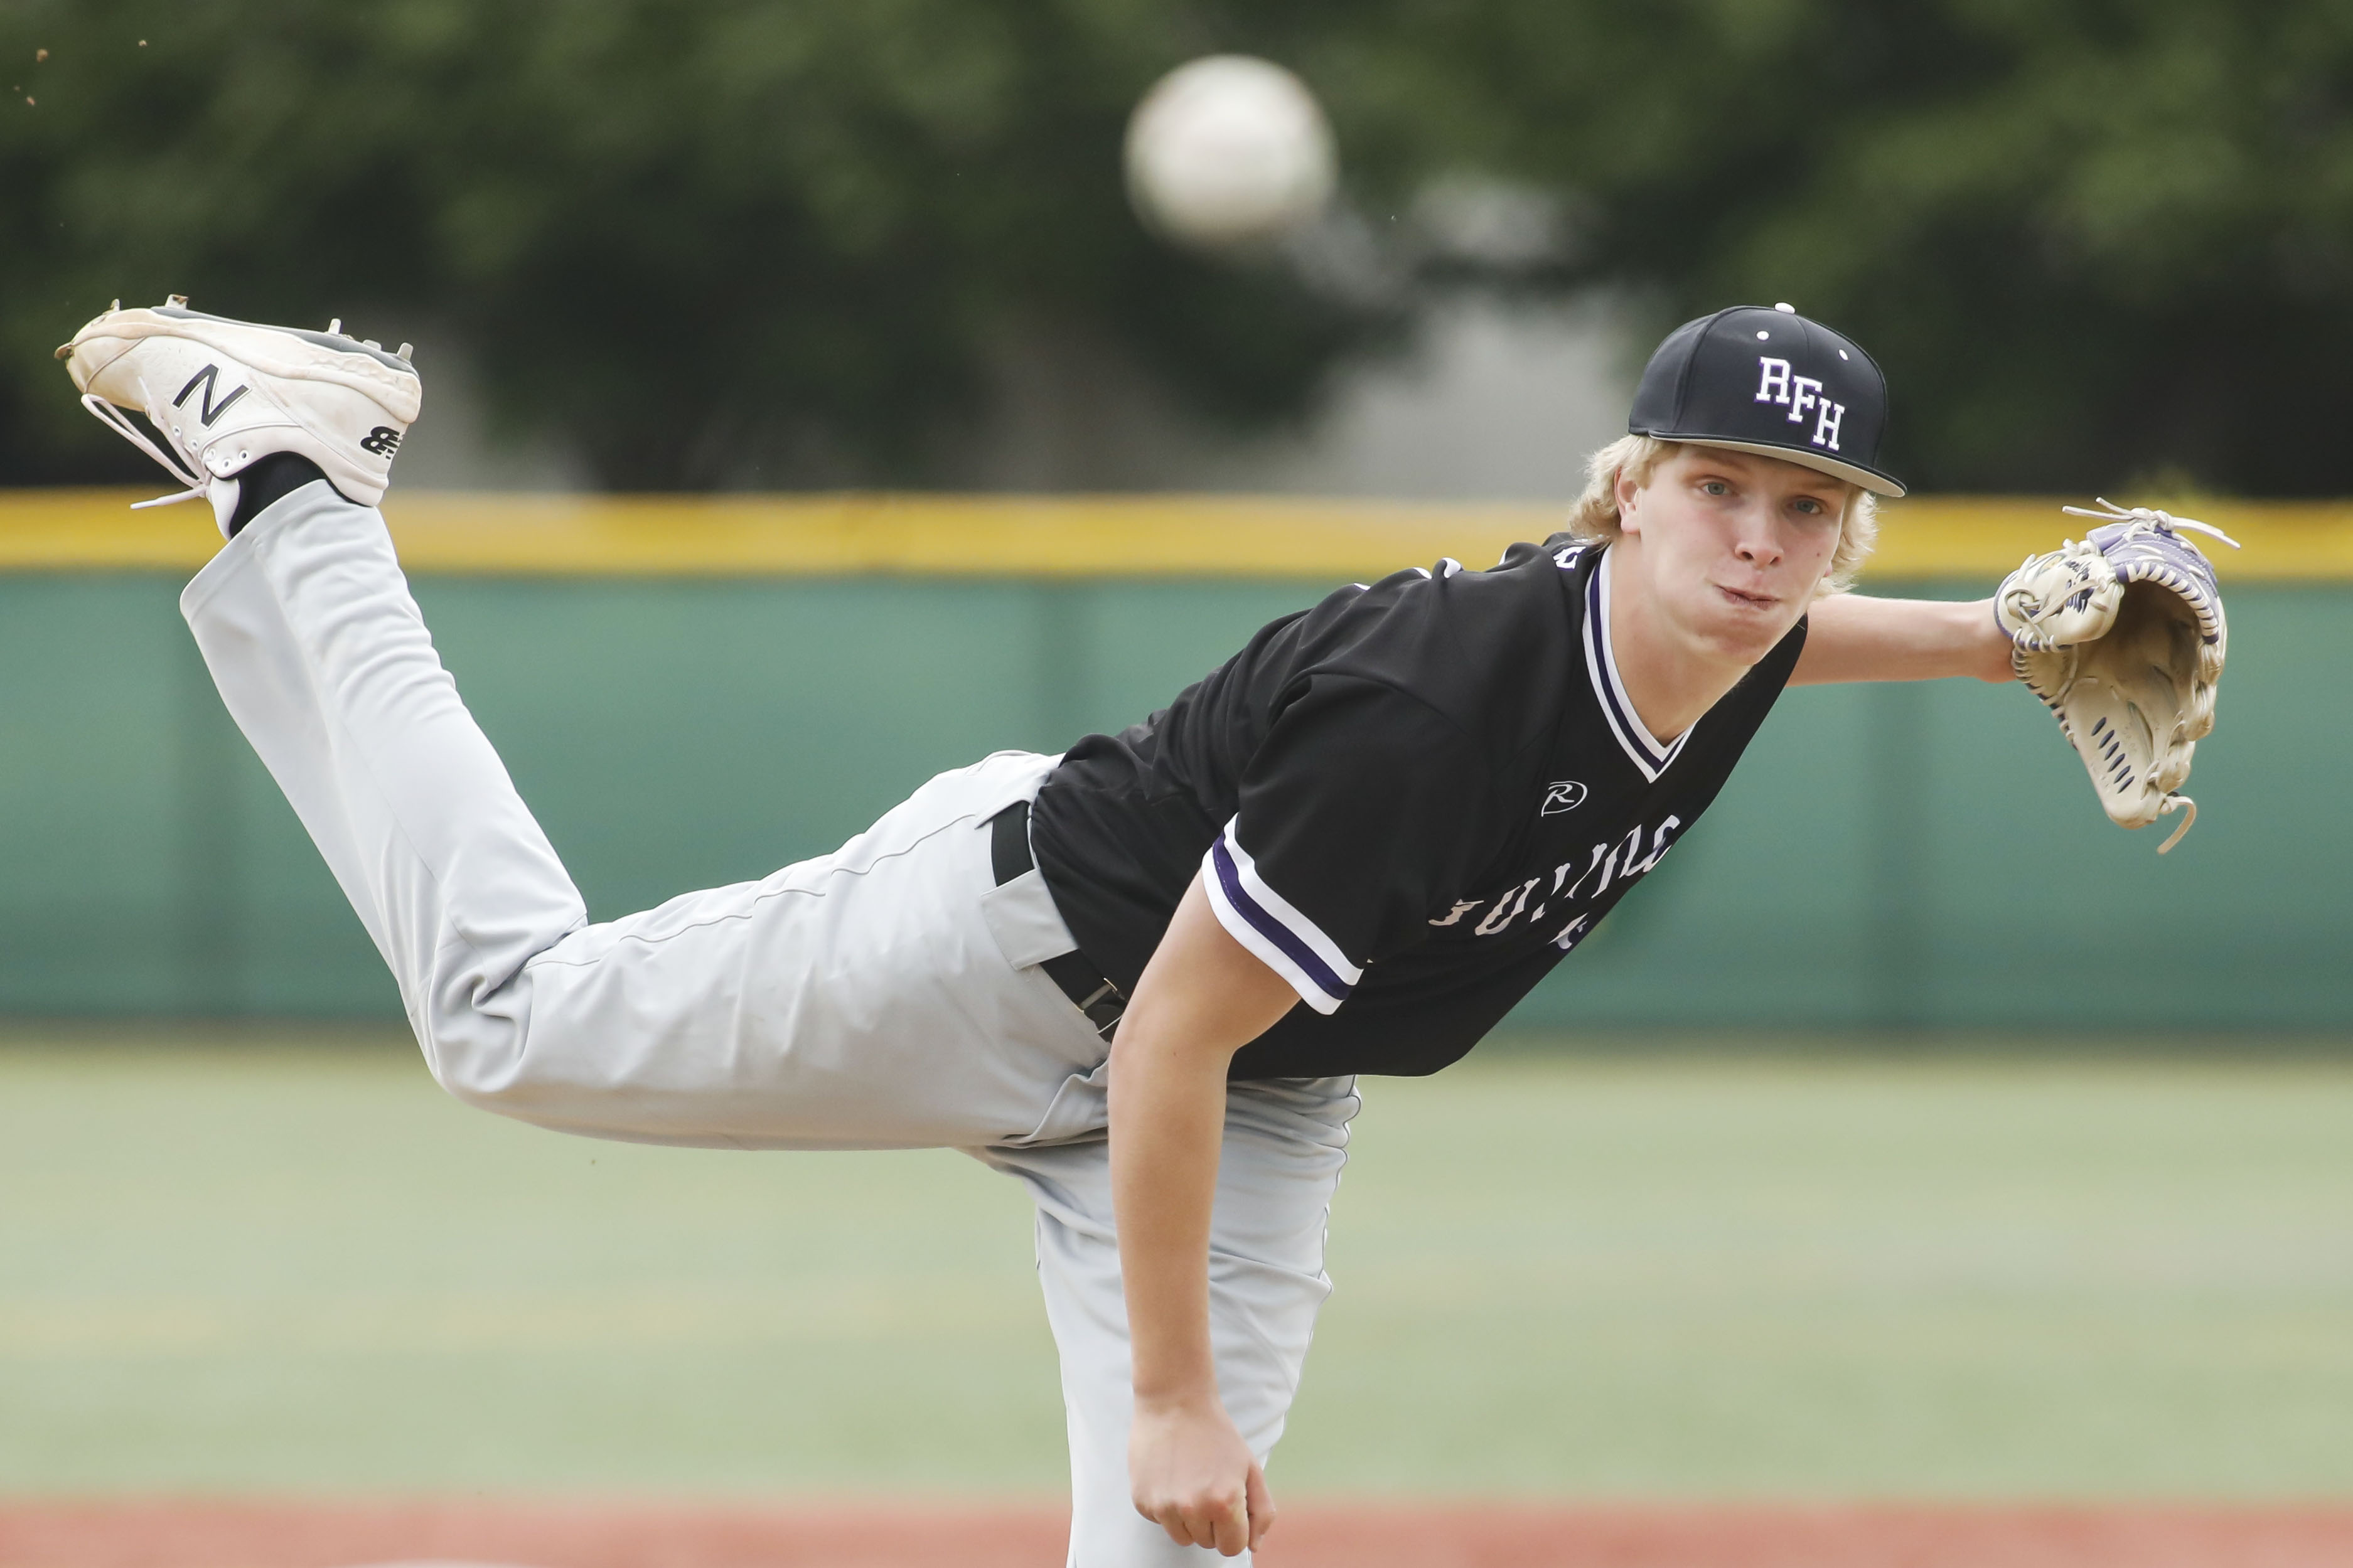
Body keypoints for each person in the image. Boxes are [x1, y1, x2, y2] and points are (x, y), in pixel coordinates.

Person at [61, 297, 2015, 1564]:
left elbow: (1770, 645)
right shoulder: (1432, 718)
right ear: (1626, 497)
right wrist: (1172, 1391)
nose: (1758, 542)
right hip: (1016, 958)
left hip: (1256, 1080)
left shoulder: (1716, 626)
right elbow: (1163, 1033)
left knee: (1175, 1561)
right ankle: (304, 480)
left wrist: (2013, 639)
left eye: (1805, 506)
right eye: (1716, 490)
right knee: (508, 1017)